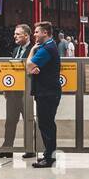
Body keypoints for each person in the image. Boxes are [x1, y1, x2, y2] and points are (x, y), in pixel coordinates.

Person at [0, 23, 35, 160]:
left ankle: (31, 148)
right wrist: (7, 88)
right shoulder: (16, 50)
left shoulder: (34, 50)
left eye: (18, 34)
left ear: (26, 35)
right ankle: (7, 149)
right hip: (13, 93)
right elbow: (11, 70)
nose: (14, 36)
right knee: (10, 121)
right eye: (15, 34)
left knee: (28, 120)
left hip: (26, 93)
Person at [25, 21, 62, 168]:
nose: (34, 35)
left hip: (47, 93)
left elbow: (28, 65)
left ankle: (49, 158)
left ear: (45, 33)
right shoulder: (49, 46)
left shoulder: (46, 48)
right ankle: (48, 155)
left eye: (36, 32)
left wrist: (32, 50)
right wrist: (32, 67)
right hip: (47, 92)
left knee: (46, 125)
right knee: (47, 125)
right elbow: (31, 68)